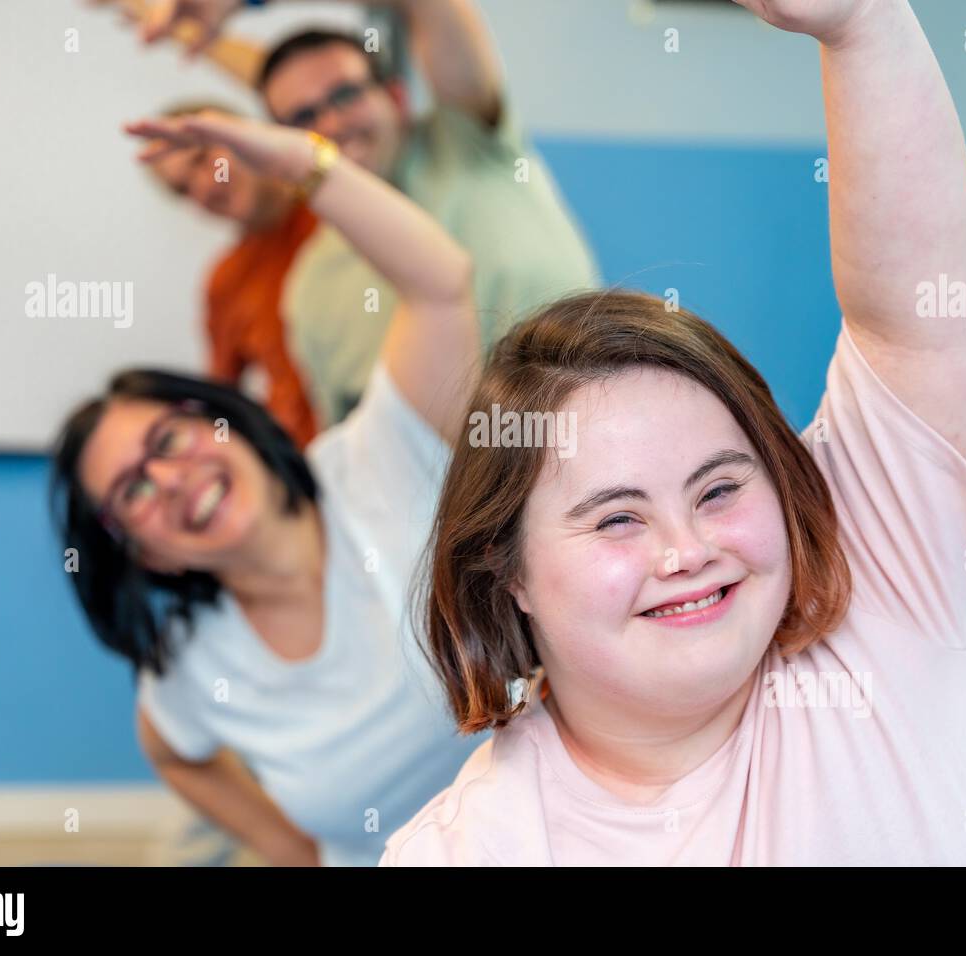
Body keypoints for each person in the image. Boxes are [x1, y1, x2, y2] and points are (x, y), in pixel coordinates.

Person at [381, 0, 966, 866]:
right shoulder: (467, 850)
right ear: (508, 571)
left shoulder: (889, 584)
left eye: (719, 489)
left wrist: (861, 24)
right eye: (617, 518)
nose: (688, 549)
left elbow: (911, 325)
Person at [51, 111, 481, 866]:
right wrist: (290, 850)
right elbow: (174, 751)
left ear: (226, 422)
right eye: (132, 493)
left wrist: (303, 163)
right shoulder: (190, 665)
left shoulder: (381, 453)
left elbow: (442, 285)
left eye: (168, 441)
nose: (171, 481)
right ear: (143, 552)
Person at [117, 0, 600, 426]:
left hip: (602, 434)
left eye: (345, 95)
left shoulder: (469, 145)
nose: (330, 123)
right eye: (303, 118)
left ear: (395, 96)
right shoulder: (310, 291)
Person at [147, 103, 322, 449]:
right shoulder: (226, 281)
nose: (204, 189)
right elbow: (221, 402)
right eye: (182, 189)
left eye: (201, 159)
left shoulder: (341, 206)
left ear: (245, 135)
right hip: (312, 465)